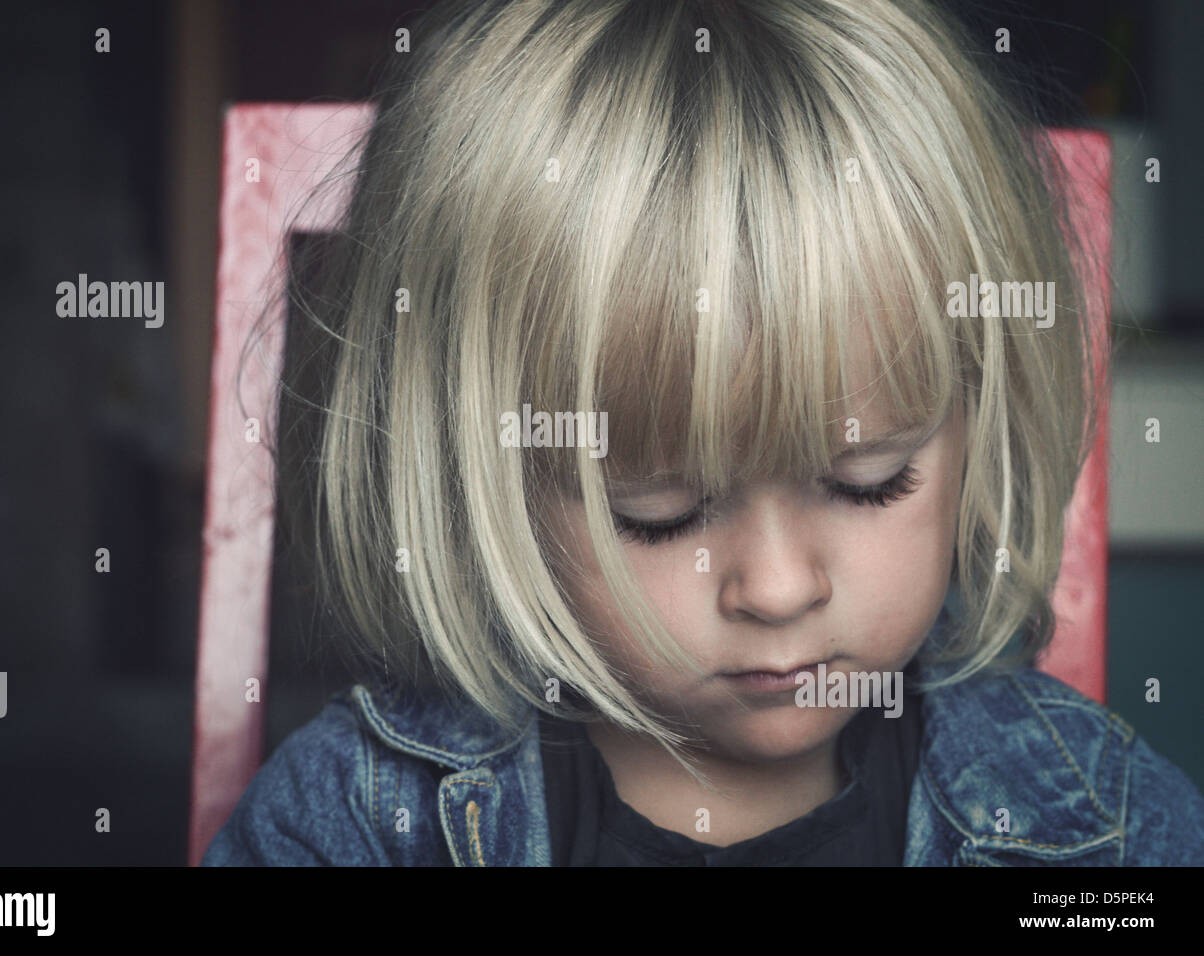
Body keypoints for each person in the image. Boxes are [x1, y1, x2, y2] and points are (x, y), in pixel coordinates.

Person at [203, 0, 1204, 866]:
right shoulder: (361, 822)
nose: (778, 588)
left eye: (870, 479)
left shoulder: (1099, 823)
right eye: (659, 511)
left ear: (979, 422)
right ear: (475, 478)